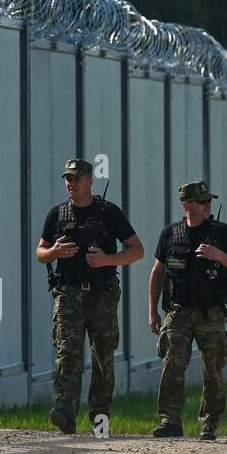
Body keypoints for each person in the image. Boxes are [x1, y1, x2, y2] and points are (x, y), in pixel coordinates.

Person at [36, 159, 145, 434]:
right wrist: (54, 253)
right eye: (68, 179)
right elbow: (40, 252)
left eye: (76, 178)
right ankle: (65, 411)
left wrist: (108, 259)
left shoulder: (109, 212)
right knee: (67, 353)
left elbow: (137, 250)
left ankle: (100, 420)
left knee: (102, 357)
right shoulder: (57, 215)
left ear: (89, 180)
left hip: (101, 294)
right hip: (68, 293)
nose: (71, 184)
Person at [149, 180, 227, 441]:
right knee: (172, 364)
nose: (208, 205)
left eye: (209, 201)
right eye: (202, 201)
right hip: (179, 311)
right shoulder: (170, 234)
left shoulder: (221, 233)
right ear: (187, 205)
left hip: (211, 313)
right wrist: (153, 311)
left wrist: (220, 255)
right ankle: (170, 421)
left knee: (213, 367)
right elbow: (157, 272)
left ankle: (210, 423)